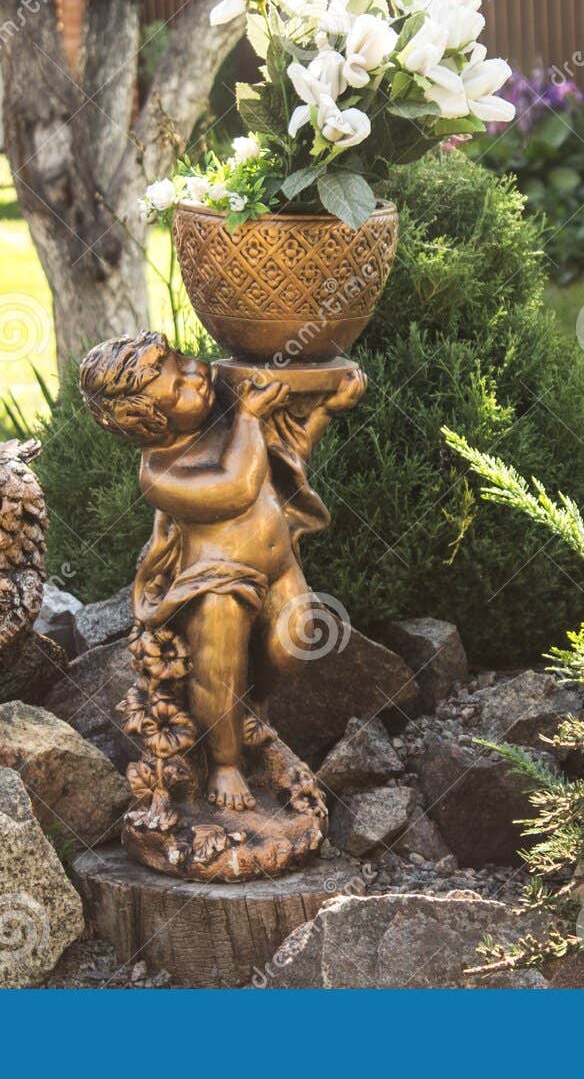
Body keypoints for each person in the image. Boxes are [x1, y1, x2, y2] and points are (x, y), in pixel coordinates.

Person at [79, 331, 364, 811]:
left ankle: (253, 709)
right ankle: (226, 763)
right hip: (217, 582)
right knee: (218, 669)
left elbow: (283, 454)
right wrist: (250, 418)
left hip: (275, 560)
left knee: (297, 637)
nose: (196, 373)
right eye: (178, 388)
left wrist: (324, 409)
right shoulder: (160, 474)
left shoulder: (222, 417)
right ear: (152, 425)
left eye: (184, 361)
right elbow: (237, 486)